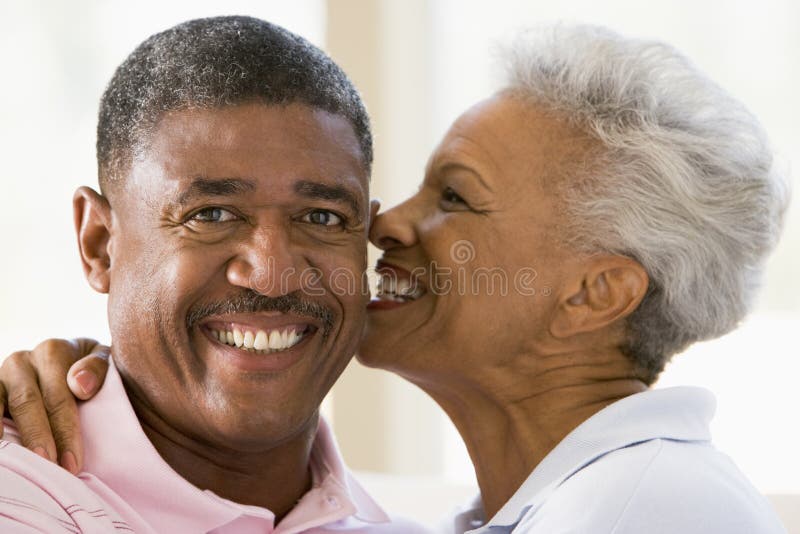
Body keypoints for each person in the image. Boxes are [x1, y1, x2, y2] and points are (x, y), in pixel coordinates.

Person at [2, 24, 790, 534]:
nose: (385, 228)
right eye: (209, 213)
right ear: (101, 242)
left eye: (455, 198)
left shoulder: (646, 508)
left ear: (593, 292)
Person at [0, 15, 427, 534]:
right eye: (211, 214)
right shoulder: (19, 500)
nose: (272, 276)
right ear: (98, 245)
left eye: (322, 217)